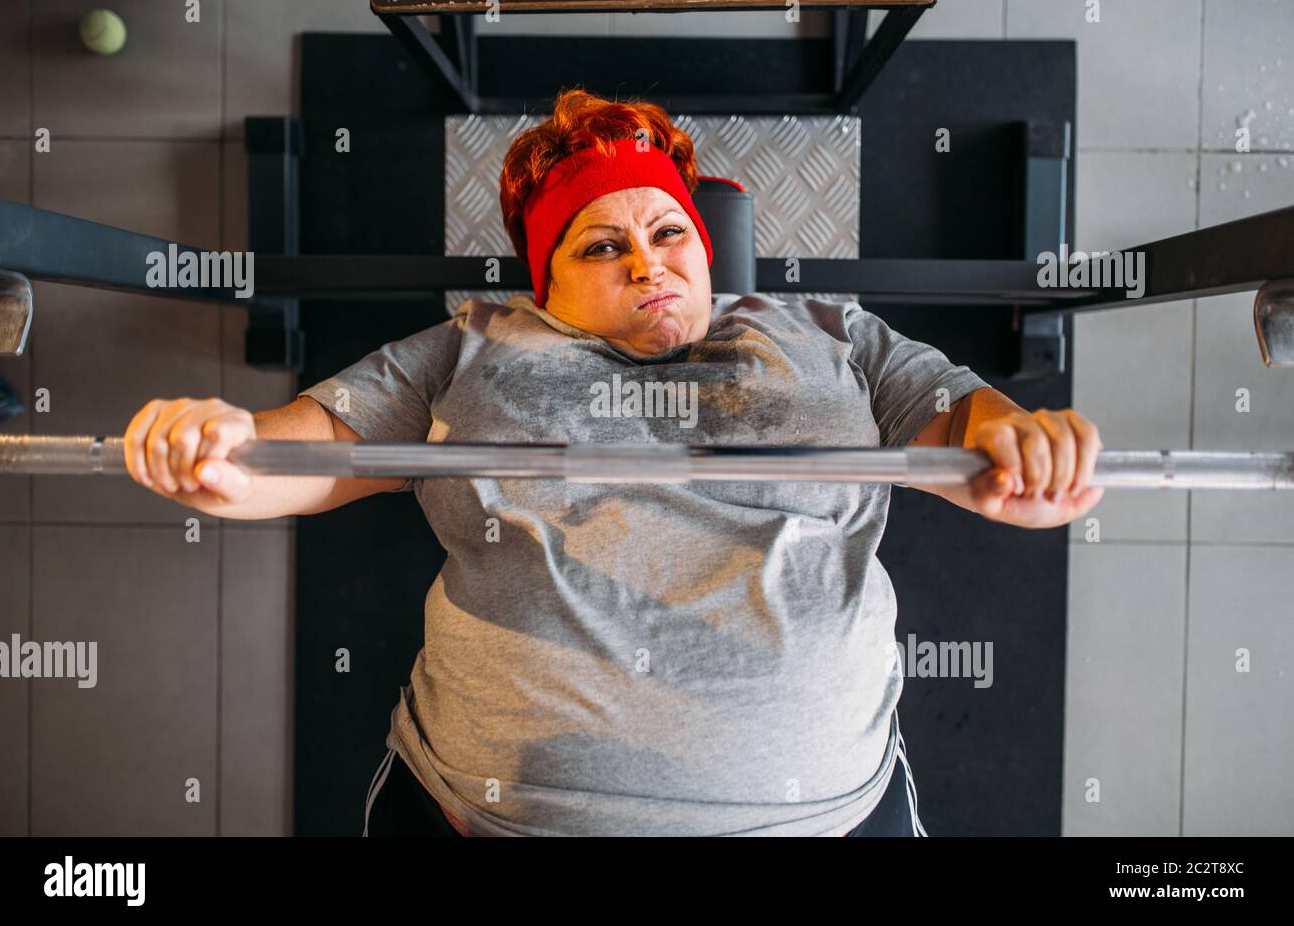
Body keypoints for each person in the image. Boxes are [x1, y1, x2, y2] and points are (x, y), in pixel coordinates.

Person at [122, 88, 1103, 836]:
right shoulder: (471, 346)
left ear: (704, 248)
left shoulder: (828, 330)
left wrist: (1021, 444)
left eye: (670, 232)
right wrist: (220, 449)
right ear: (545, 285)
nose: (647, 261)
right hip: (484, 817)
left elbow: (960, 419)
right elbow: (304, 450)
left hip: (827, 819)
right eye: (600, 247)